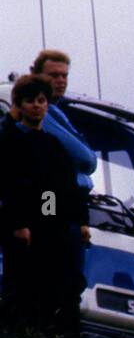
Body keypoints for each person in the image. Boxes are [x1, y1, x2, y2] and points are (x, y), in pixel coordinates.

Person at [0, 74, 88, 338]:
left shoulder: (53, 144)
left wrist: (81, 221)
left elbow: (69, 186)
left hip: (53, 225)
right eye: (30, 101)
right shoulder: (11, 140)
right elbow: (9, 185)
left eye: (41, 101)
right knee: (23, 287)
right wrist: (18, 224)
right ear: (19, 105)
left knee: (58, 287)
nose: (37, 106)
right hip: (23, 226)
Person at [31, 50, 96, 289]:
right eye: (54, 75)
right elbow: (85, 157)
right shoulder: (41, 112)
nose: (61, 81)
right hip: (50, 201)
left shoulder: (60, 113)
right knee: (55, 275)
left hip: (71, 204)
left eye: (64, 76)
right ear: (36, 75)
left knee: (71, 280)